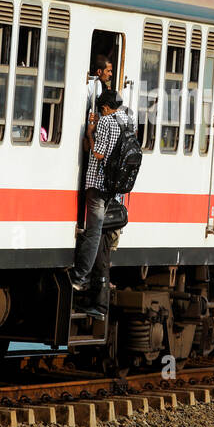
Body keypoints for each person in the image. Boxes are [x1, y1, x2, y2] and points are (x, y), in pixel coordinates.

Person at [70, 89, 135, 292]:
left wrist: (90, 132)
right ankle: (98, 279)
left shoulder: (106, 122)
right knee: (101, 234)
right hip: (114, 187)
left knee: (93, 233)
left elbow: (98, 154)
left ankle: (80, 276)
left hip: (98, 184)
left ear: (105, 108)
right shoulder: (128, 120)